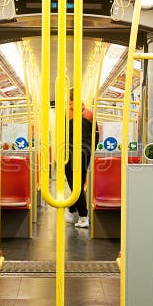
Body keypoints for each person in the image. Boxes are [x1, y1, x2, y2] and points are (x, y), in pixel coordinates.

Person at [65, 92, 99, 228]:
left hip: (69, 151)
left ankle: (83, 215)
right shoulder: (90, 113)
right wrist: (92, 150)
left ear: (69, 98)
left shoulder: (65, 113)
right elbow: (95, 134)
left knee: (75, 184)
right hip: (86, 151)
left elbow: (62, 134)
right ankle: (72, 210)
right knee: (79, 182)